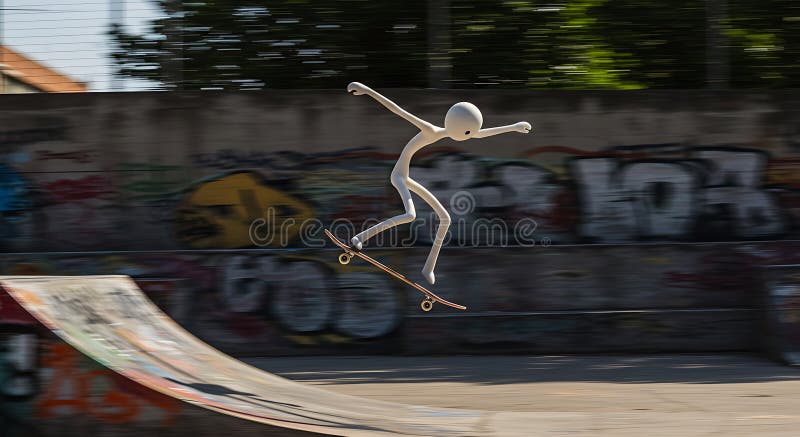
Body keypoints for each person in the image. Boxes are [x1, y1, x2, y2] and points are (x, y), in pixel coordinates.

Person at [347, 82, 532, 285]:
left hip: (407, 177)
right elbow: (397, 109)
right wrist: (367, 90)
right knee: (410, 215)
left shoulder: (451, 131)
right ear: (460, 128)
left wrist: (514, 127)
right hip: (398, 176)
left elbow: (481, 133)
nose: (470, 137)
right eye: (468, 133)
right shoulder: (430, 131)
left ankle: (428, 269)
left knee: (445, 218)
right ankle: (359, 238)